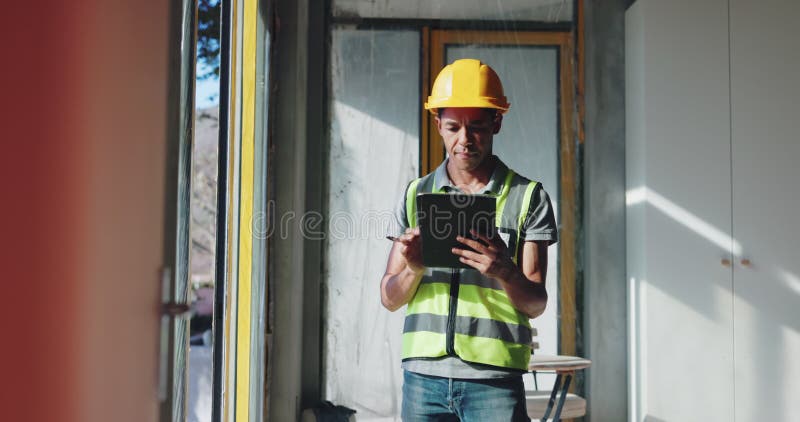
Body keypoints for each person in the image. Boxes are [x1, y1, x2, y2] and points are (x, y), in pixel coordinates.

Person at [380, 58, 558, 421]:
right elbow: (388, 297)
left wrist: (506, 271)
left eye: (476, 127)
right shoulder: (415, 195)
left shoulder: (528, 197)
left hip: (493, 381)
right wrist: (414, 269)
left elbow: (536, 303)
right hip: (422, 380)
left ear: (497, 122)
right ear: (438, 126)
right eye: (453, 127)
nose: (464, 140)